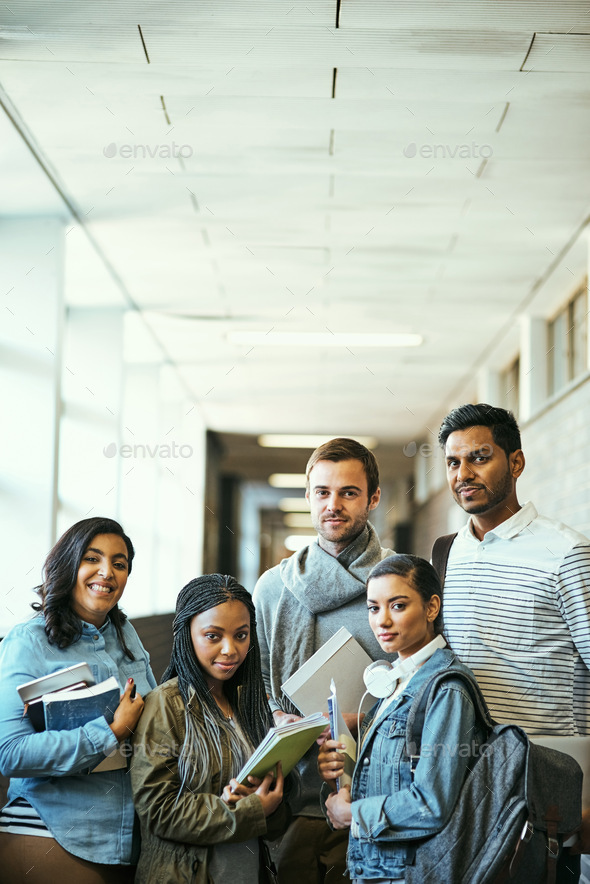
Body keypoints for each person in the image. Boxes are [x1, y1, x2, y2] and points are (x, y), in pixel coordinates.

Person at [436, 402, 590, 866]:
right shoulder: (447, 554)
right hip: (471, 786)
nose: (464, 472)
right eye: (453, 462)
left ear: (516, 462)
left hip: (551, 792)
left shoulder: (566, 553)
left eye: (479, 457)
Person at [253, 437, 394, 882]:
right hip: (289, 797)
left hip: (376, 799)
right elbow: (251, 686)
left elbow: (421, 691)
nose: (333, 504)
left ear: (372, 498)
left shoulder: (398, 582)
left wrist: (352, 723)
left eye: (349, 493)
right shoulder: (272, 589)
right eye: (322, 492)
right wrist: (274, 715)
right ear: (308, 496)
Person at [0, 516, 156, 884]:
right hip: (48, 832)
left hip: (125, 841)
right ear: (68, 563)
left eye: (120, 564)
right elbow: (9, 753)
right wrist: (111, 731)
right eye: (93, 558)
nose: (107, 572)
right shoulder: (28, 641)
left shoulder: (125, 634)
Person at [318, 554, 483, 882]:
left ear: (431, 608)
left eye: (397, 605)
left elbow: (431, 805)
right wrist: (339, 776)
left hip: (408, 873)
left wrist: (352, 813)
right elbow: (385, 780)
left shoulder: (446, 689)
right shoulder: (394, 681)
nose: (382, 621)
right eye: (374, 608)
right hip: (373, 865)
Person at [130, 574, 289, 884]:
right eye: (213, 636)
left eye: (241, 635)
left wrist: (270, 798)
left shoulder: (249, 705)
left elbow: (271, 818)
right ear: (186, 633)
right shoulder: (166, 705)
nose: (230, 649)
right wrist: (251, 810)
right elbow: (159, 811)